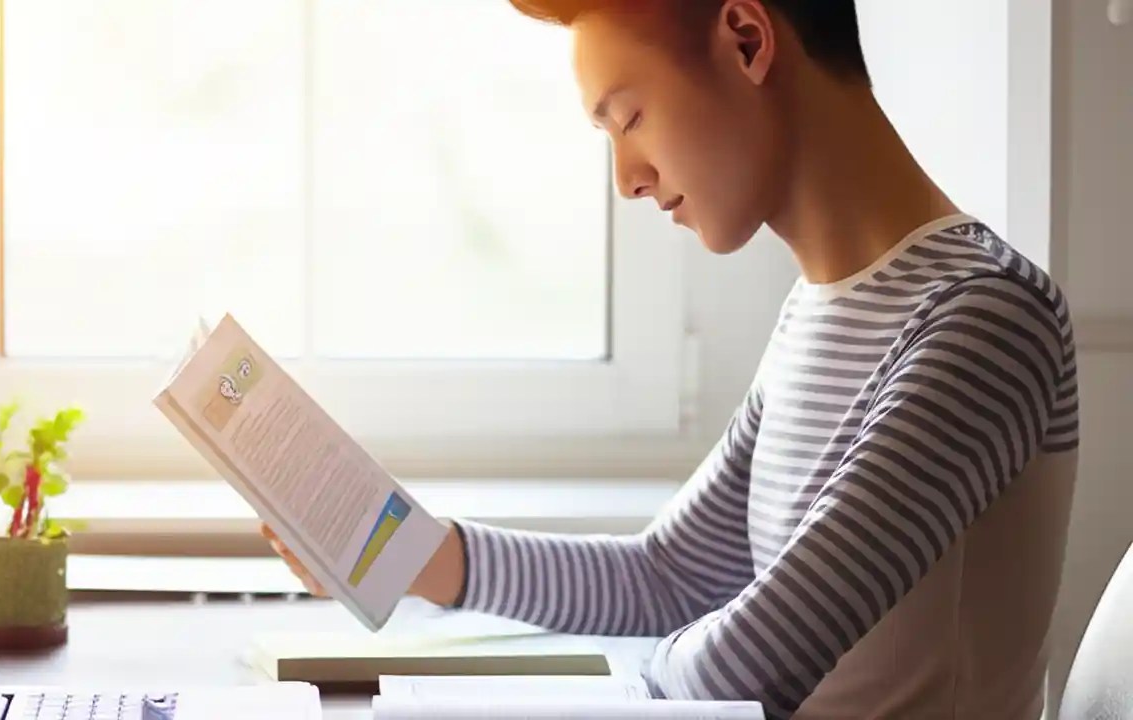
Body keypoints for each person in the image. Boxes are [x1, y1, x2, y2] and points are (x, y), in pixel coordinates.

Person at [266, 1, 1080, 717]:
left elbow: (759, 661)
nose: (626, 179)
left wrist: (616, 682)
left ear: (748, 40)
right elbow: (668, 578)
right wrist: (415, 554)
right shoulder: (819, 312)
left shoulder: (986, 320)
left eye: (628, 119)